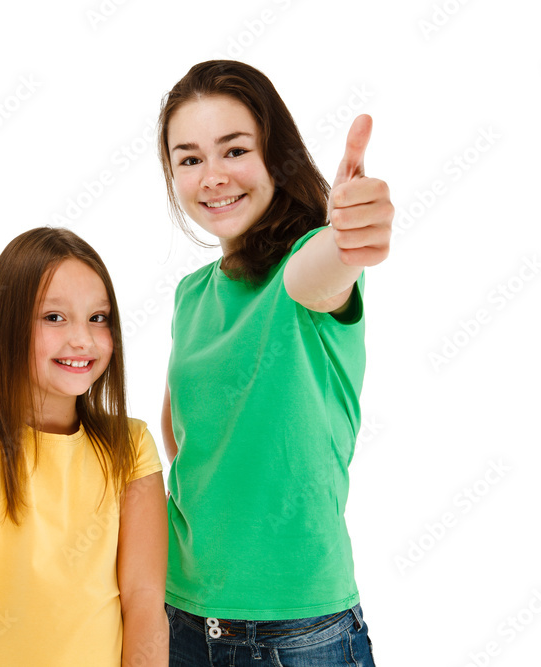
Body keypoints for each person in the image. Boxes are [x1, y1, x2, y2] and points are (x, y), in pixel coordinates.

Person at [157, 60, 392, 665]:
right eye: (188, 159)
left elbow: (328, 268)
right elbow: (180, 433)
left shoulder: (304, 265)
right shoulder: (191, 295)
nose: (212, 177)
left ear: (275, 155)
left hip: (300, 633)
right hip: (182, 616)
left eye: (233, 150)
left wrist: (349, 238)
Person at [0, 228, 168, 666]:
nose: (82, 339)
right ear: (6, 325)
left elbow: (143, 601)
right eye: (54, 317)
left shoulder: (131, 446)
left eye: (98, 318)